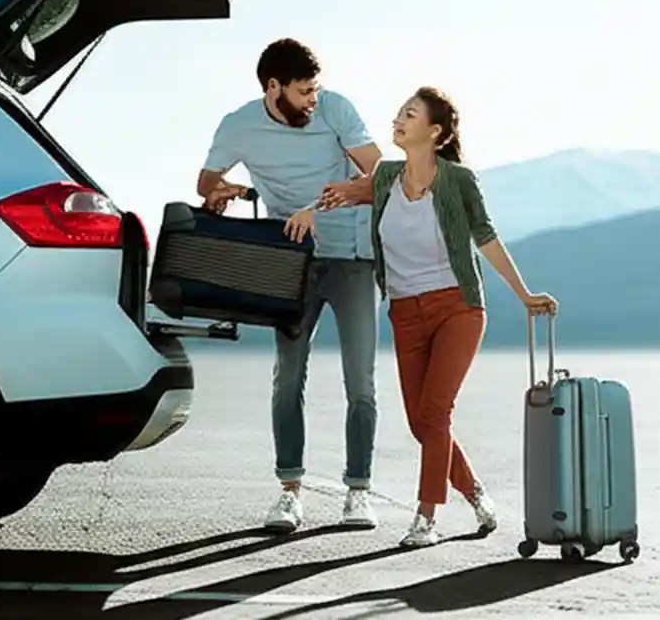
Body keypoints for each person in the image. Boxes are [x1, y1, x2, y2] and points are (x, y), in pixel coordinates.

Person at [319, 86, 558, 547]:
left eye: (409, 114)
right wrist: (314, 208)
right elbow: (348, 192)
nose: (397, 120)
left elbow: (485, 237)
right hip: (405, 311)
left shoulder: (458, 181)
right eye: (398, 112)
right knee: (421, 424)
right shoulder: (387, 176)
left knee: (436, 411)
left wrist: (523, 294)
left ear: (436, 131)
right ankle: (477, 495)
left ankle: (425, 518)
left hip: (457, 307)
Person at [198, 38, 383, 533]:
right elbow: (205, 181)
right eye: (303, 92)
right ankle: (289, 493)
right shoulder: (239, 124)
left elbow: (380, 178)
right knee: (287, 380)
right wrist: (225, 192)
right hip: (291, 263)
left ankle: (358, 492)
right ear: (273, 87)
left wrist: (318, 207)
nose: (312, 101)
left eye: (315, 90)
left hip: (353, 259)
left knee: (360, 384)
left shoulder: (335, 110)